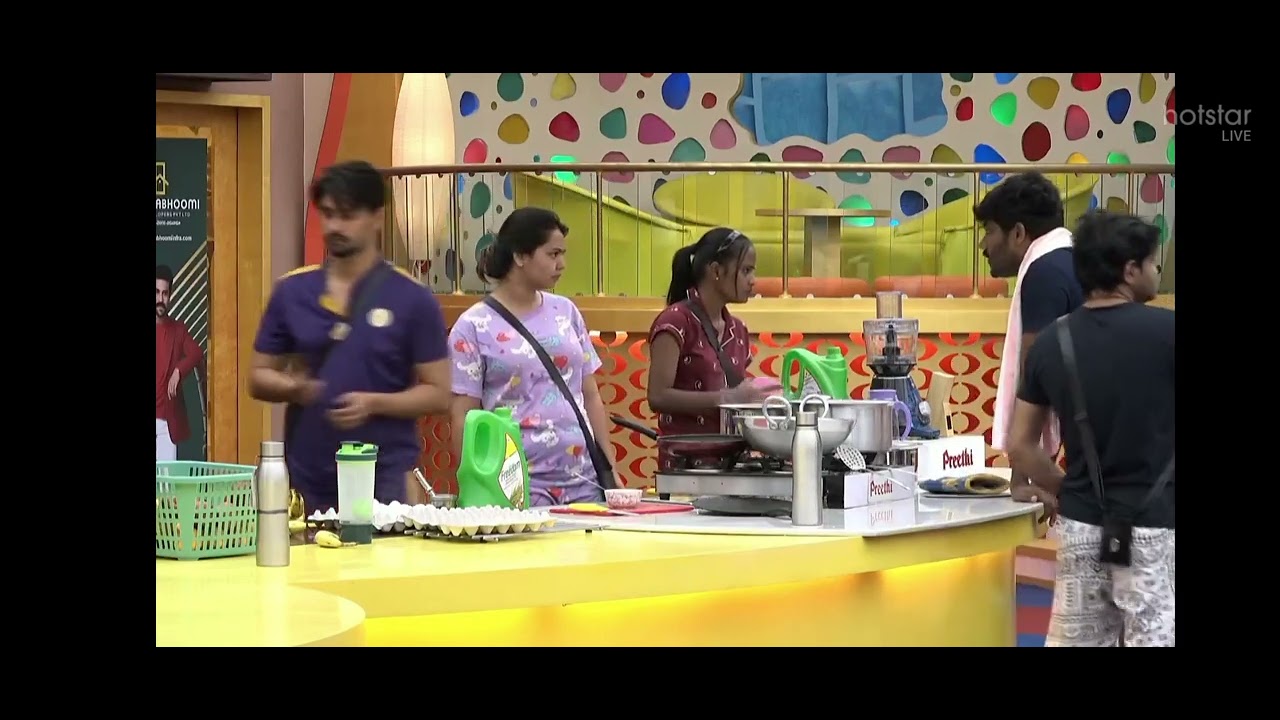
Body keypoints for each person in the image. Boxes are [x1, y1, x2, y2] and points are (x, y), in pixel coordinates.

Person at [1007, 211, 1174, 648]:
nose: (1157, 270)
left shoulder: (1051, 342)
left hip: (1082, 525)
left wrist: (1070, 489)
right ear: (1130, 270)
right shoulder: (1168, 332)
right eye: (1152, 262)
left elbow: (1020, 445)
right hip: (1157, 525)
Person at [248, 160, 451, 512]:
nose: (334, 226)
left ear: (377, 217)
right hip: (305, 480)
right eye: (328, 214)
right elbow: (257, 377)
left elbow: (440, 393)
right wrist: (294, 387)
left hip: (385, 481)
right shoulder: (292, 291)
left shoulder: (412, 298)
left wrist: (374, 403)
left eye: (347, 215)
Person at [448, 207, 611, 506]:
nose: (561, 264)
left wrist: (609, 470)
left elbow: (590, 395)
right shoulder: (472, 326)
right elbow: (464, 417)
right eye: (552, 254)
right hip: (515, 484)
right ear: (520, 256)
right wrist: (474, 485)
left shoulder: (566, 312)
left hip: (585, 479)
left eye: (562, 254)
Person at [975, 172, 1084, 506]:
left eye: (989, 231)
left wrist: (1023, 479)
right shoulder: (1071, 260)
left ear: (1018, 233)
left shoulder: (1044, 272)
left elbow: (1034, 374)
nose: (983, 246)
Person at [647, 227, 781, 436]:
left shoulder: (738, 329)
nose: (753, 280)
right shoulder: (676, 321)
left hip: (733, 451)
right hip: (685, 454)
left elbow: (736, 390)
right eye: (746, 271)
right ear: (716, 271)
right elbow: (657, 396)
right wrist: (727, 398)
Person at [156, 264, 205, 461]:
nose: (160, 299)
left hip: (167, 424)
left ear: (170, 296)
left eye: (165, 293)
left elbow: (196, 353)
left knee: (167, 479)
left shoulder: (178, 330)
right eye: (156, 292)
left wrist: (178, 370)